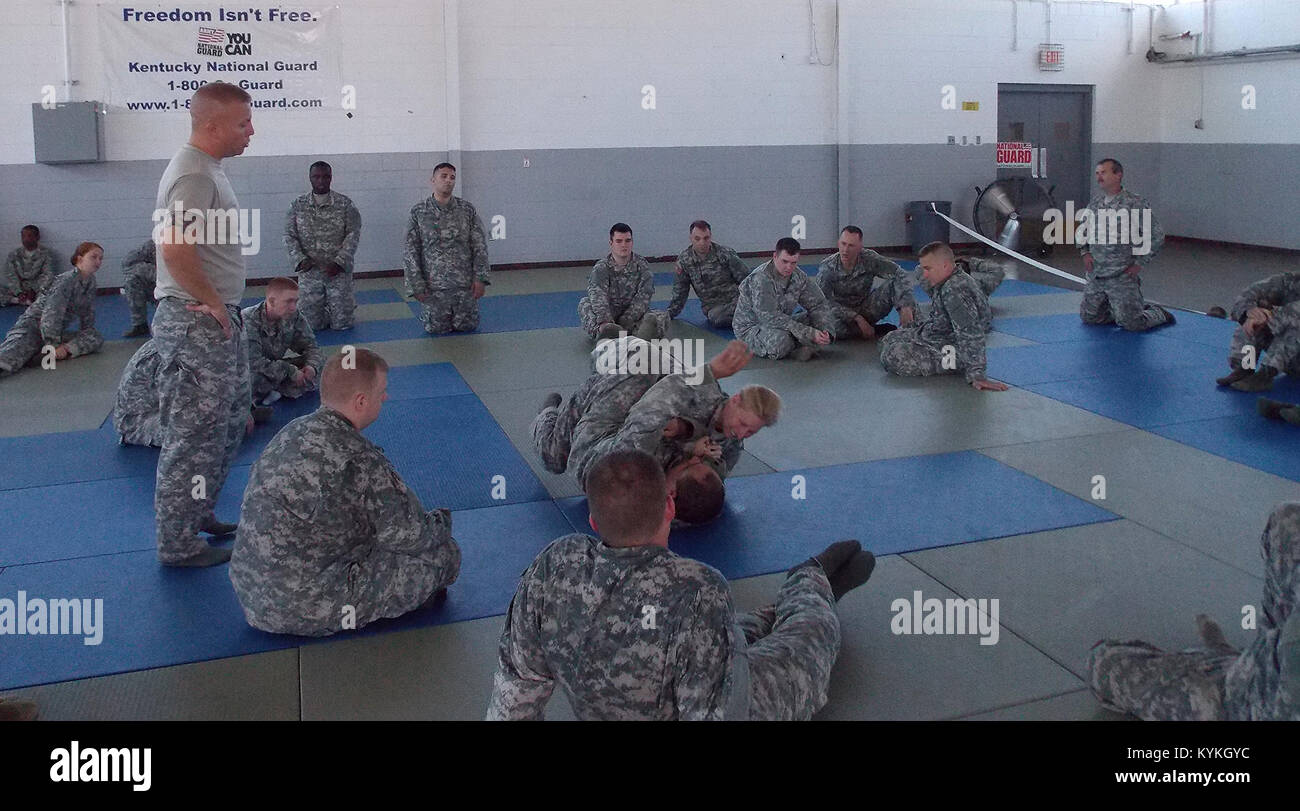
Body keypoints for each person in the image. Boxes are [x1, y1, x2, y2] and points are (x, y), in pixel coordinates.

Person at [486, 450, 876, 720]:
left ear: (592, 522)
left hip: (684, 659)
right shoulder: (698, 588)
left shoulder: (554, 564)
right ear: (669, 509)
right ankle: (811, 581)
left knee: (722, 633)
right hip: (721, 695)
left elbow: (515, 687)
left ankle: (783, 608)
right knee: (807, 641)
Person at [229, 349, 461, 637]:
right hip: (298, 605)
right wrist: (443, 522)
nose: (385, 398)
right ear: (361, 401)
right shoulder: (359, 458)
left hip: (250, 589)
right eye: (382, 393)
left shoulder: (290, 432)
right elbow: (410, 535)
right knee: (445, 554)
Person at [150, 81, 255, 567]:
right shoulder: (194, 174)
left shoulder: (209, 169)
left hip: (218, 317)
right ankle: (177, 544)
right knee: (192, 434)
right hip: (195, 320)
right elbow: (174, 248)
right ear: (211, 125)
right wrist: (212, 301)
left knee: (228, 423)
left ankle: (200, 512)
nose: (250, 130)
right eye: (242, 123)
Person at [1087, 502, 1300, 721]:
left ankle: (1240, 675)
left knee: (1104, 663)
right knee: (1288, 519)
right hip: (1282, 663)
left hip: (1263, 705)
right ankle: (1257, 660)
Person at [532, 339, 774, 523]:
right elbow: (719, 462)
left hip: (616, 393)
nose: (698, 457)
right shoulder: (688, 473)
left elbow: (650, 411)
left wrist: (708, 371)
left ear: (670, 492)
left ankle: (547, 413)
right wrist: (687, 434)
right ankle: (622, 337)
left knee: (553, 456)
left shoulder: (625, 469)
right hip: (654, 364)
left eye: (691, 464)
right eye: (745, 427)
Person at [879, 242, 1008, 392]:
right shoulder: (945, 282)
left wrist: (977, 374)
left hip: (953, 348)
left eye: (928, 269)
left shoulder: (955, 291)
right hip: (938, 334)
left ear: (946, 266)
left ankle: (956, 363)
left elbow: (970, 331)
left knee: (891, 356)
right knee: (888, 339)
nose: (925, 274)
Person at [1077, 158, 1174, 331]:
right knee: (1089, 318)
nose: (1099, 177)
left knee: (1133, 324)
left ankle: (1157, 313)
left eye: (1104, 173)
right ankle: (1121, 310)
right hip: (1096, 275)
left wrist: (1140, 262)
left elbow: (1156, 235)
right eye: (1097, 173)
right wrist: (1085, 252)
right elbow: (1082, 230)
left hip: (1121, 276)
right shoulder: (1095, 203)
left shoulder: (1134, 203)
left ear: (1118, 175)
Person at [403, 162, 490, 334]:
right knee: (436, 330)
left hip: (465, 288)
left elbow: (479, 245)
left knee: (467, 329)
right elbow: (410, 251)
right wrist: (416, 286)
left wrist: (481, 278)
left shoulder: (466, 210)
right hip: (434, 290)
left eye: (452, 177)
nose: (448, 181)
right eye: (443, 176)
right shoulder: (419, 212)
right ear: (433, 180)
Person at [0, 242, 104, 377]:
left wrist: (85, 331)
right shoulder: (65, 281)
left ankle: (53, 352)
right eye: (93, 257)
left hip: (56, 332)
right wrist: (53, 344)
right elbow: (51, 315)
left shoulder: (90, 282)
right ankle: (41, 352)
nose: (98, 262)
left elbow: (87, 311)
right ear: (80, 258)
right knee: (15, 350)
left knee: (95, 337)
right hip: (32, 328)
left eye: (101, 258)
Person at [284, 161, 363, 331]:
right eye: (316, 177)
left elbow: (353, 235)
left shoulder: (345, 205)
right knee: (311, 326)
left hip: (338, 272)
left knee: (343, 325)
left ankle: (339, 309)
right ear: (310, 178)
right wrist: (300, 260)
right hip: (310, 273)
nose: (321, 181)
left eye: (325, 177)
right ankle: (324, 310)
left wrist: (339, 262)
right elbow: (289, 235)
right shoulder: (297, 205)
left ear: (331, 178)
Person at [733, 237, 836, 360]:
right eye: (785, 261)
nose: (789, 267)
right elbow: (769, 316)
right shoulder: (761, 279)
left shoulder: (798, 276)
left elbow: (818, 303)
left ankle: (802, 344)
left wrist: (825, 331)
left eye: (793, 262)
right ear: (775, 256)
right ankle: (797, 348)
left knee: (818, 319)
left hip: (782, 322)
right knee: (781, 341)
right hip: (752, 327)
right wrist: (809, 333)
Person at [816, 226, 914, 340]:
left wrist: (905, 306)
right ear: (838, 243)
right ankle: (876, 330)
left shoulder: (869, 259)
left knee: (899, 288)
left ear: (859, 247)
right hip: (841, 316)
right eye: (843, 244)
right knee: (829, 327)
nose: (845, 250)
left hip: (866, 309)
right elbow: (823, 302)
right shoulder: (827, 267)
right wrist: (856, 317)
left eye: (851, 245)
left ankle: (914, 330)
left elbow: (900, 273)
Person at [243, 277, 324, 407]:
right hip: (254, 369)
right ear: (272, 301)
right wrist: (290, 371)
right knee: (251, 378)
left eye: (296, 301)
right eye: (288, 302)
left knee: (320, 364)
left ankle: (272, 392)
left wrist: (311, 367)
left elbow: (311, 346)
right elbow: (253, 362)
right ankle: (280, 390)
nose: (293, 307)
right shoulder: (248, 320)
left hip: (275, 369)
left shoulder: (294, 315)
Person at [1214, 271, 1300, 393]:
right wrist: (1250, 312)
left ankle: (1266, 374)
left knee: (1291, 318)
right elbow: (1248, 293)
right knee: (1255, 311)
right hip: (1292, 359)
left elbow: (1294, 312)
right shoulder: (1290, 281)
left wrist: (1266, 319)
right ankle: (1246, 367)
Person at [578, 223, 665, 340]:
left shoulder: (642, 265)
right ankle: (605, 333)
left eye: (628, 241)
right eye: (619, 241)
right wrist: (608, 322)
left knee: (658, 317)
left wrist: (626, 321)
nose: (624, 245)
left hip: (633, 314)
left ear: (632, 242)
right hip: (610, 313)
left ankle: (636, 335)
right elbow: (598, 297)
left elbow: (644, 296)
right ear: (611, 243)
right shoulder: (601, 268)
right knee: (585, 304)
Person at [666, 220, 750, 328]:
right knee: (716, 318)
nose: (702, 243)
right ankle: (750, 316)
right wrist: (669, 314)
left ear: (711, 237)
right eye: (697, 239)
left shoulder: (725, 253)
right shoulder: (684, 261)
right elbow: (680, 292)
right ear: (690, 238)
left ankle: (751, 313)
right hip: (714, 308)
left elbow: (747, 280)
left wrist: (752, 300)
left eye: (706, 238)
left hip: (737, 300)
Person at [2, 225, 55, 306]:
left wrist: (34, 290)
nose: (25, 239)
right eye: (23, 236)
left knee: (54, 295)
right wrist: (19, 292)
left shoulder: (46, 254)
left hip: (37, 289)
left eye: (29, 236)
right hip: (19, 289)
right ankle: (18, 300)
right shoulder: (14, 254)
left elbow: (48, 275)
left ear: (37, 237)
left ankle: (28, 301)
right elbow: (11, 275)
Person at [120, 239, 157, 337]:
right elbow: (127, 263)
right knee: (132, 281)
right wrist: (154, 273)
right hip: (161, 286)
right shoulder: (154, 244)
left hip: (184, 289)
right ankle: (140, 325)